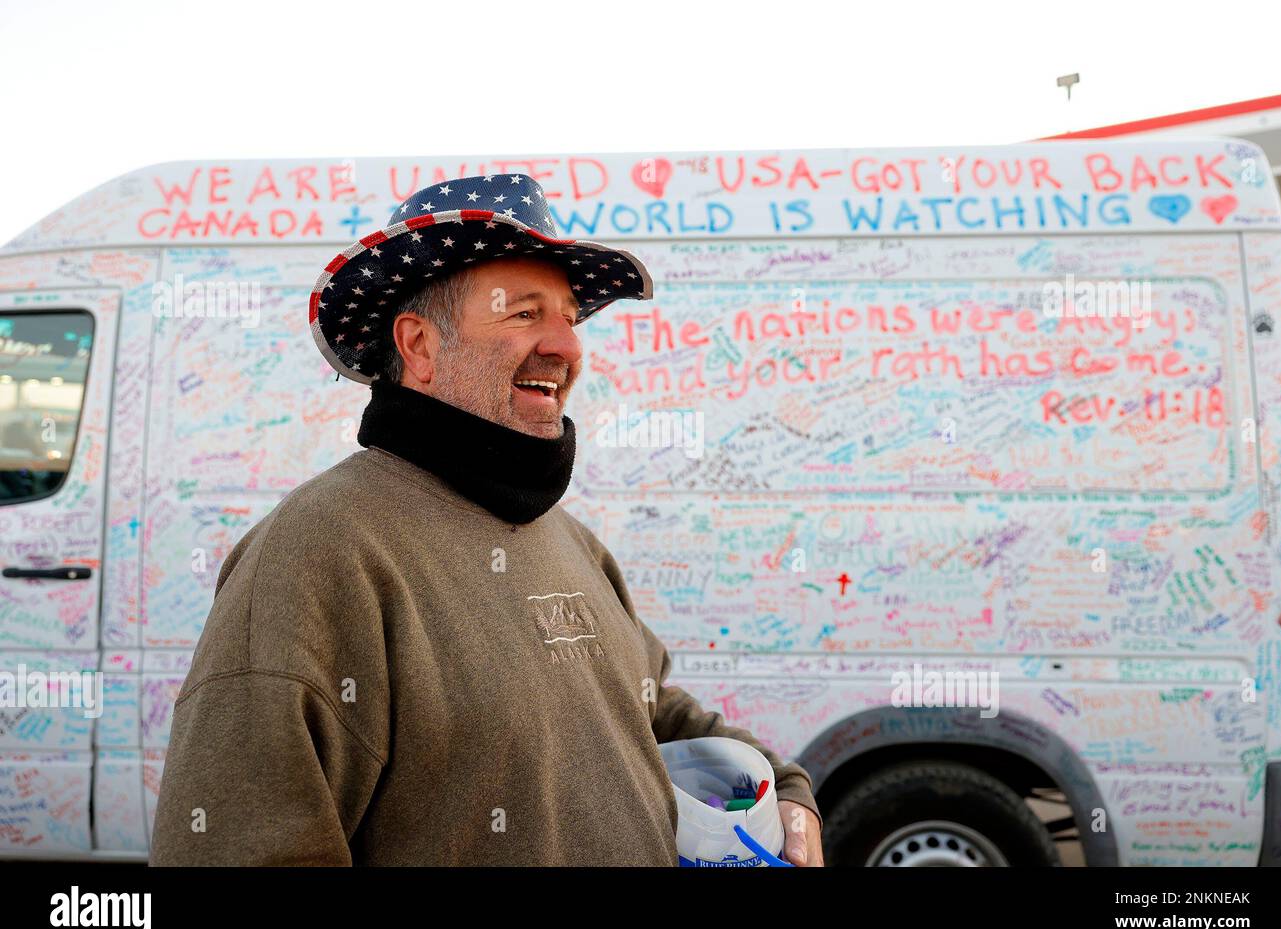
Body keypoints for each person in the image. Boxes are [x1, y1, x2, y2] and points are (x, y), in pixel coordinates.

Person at [149, 173, 824, 866]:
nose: (566, 346)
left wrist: (792, 796)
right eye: (525, 314)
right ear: (419, 346)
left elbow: (650, 714)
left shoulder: (570, 543)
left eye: (568, 316)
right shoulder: (319, 552)